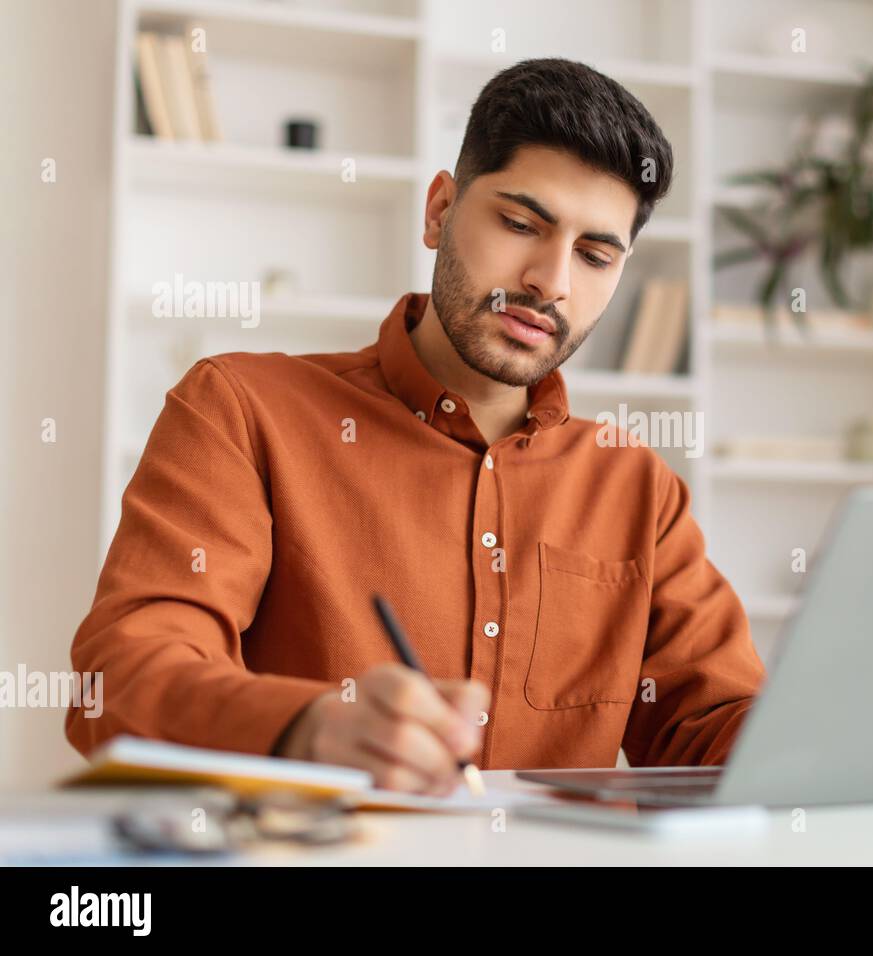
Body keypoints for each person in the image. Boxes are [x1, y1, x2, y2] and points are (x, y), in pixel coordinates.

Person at [66, 58, 765, 795]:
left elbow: (716, 727)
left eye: (595, 255)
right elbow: (117, 683)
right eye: (522, 224)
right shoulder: (242, 409)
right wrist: (307, 728)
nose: (551, 281)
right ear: (439, 211)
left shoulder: (638, 488)